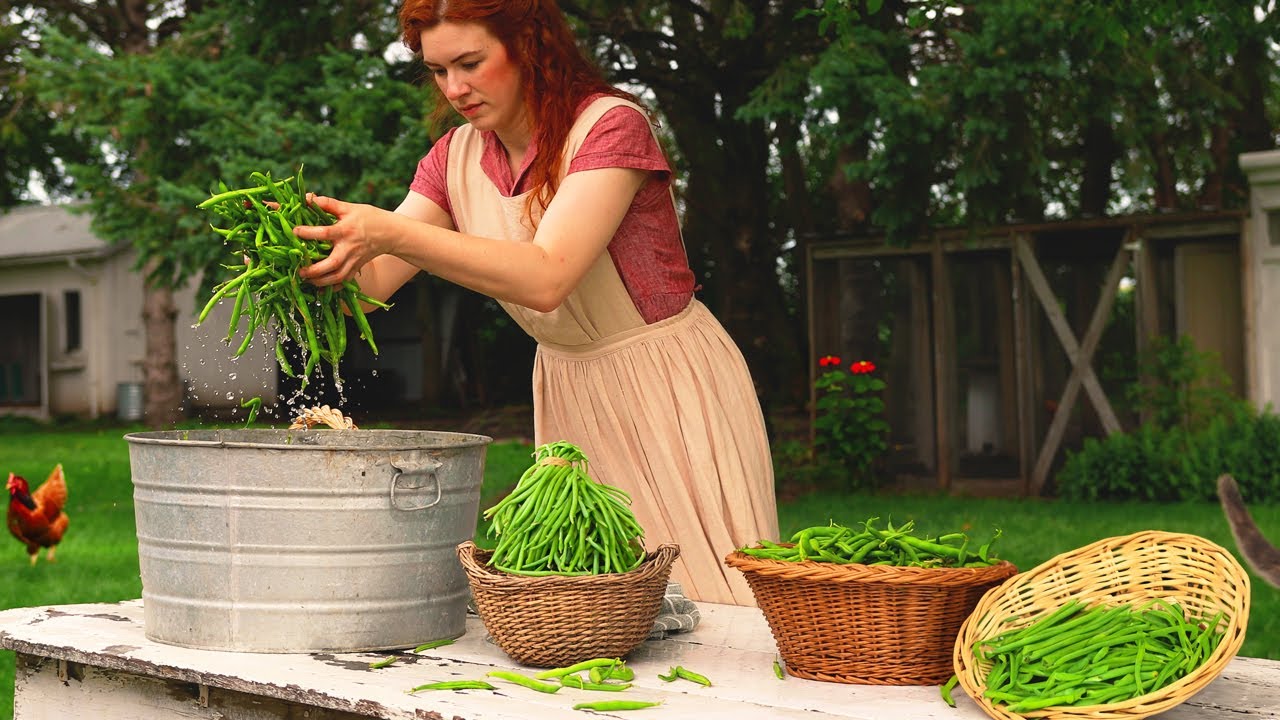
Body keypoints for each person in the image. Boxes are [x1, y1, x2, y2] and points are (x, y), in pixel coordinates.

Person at [292, 0, 778, 606]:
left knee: (713, 598)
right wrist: (302, 266)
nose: (456, 88)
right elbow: (376, 283)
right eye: (440, 71)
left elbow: (548, 276)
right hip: (568, 383)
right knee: (595, 600)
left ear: (529, 44)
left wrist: (387, 230)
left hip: (669, 382)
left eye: (470, 62)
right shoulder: (455, 156)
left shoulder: (609, 127)